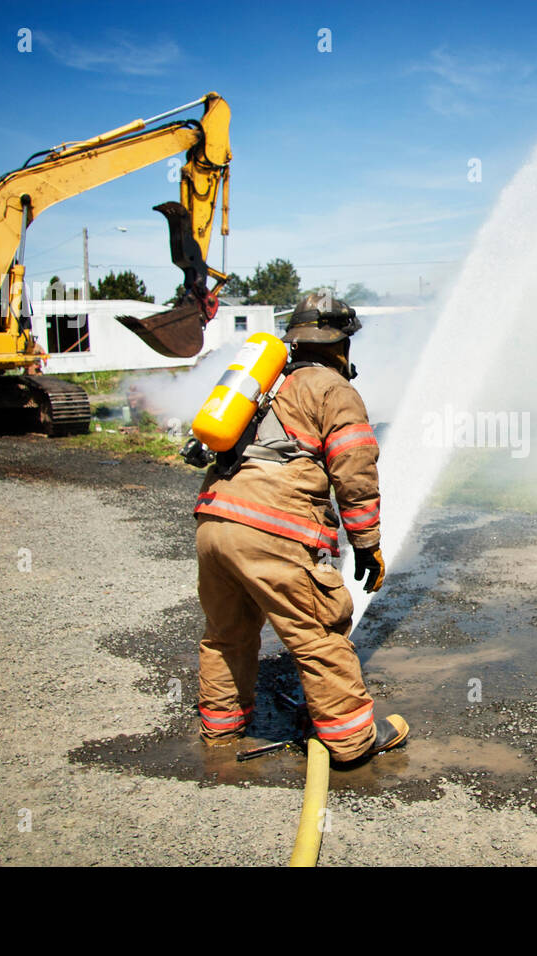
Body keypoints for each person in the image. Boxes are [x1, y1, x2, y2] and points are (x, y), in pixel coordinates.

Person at [193, 292, 407, 761]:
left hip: (213, 522)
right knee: (318, 631)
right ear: (338, 343)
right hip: (270, 527)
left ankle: (221, 733)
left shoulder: (264, 388)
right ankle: (351, 742)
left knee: (226, 633)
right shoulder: (332, 389)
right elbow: (354, 469)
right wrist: (367, 544)